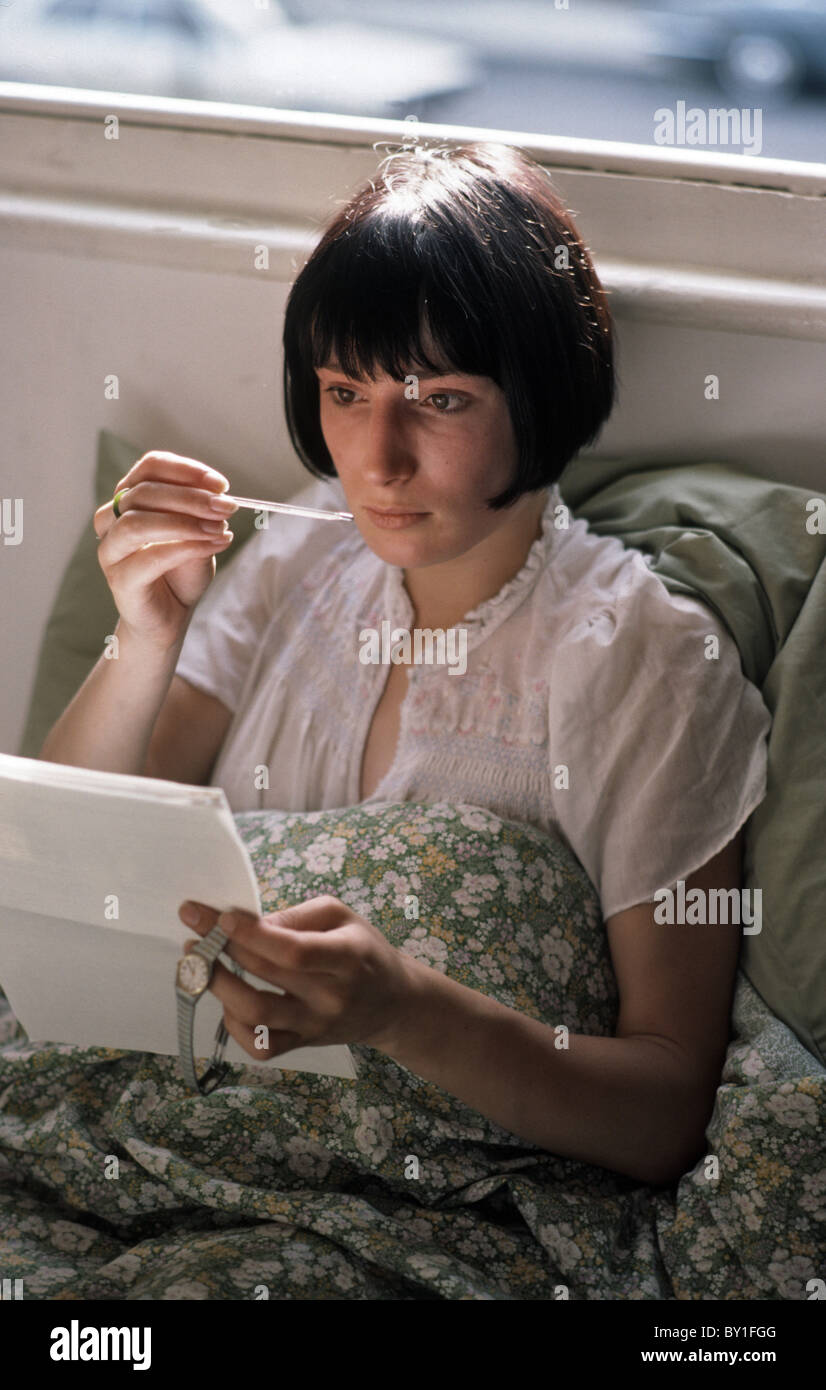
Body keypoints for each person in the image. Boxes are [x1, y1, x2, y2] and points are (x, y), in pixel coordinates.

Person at [40, 141, 771, 1184]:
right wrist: (144, 636)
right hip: (160, 1145)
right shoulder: (297, 546)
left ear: (537, 393)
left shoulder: (641, 660)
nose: (375, 461)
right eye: (345, 393)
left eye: (438, 401)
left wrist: (406, 1009)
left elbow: (663, 1117)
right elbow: (70, 864)